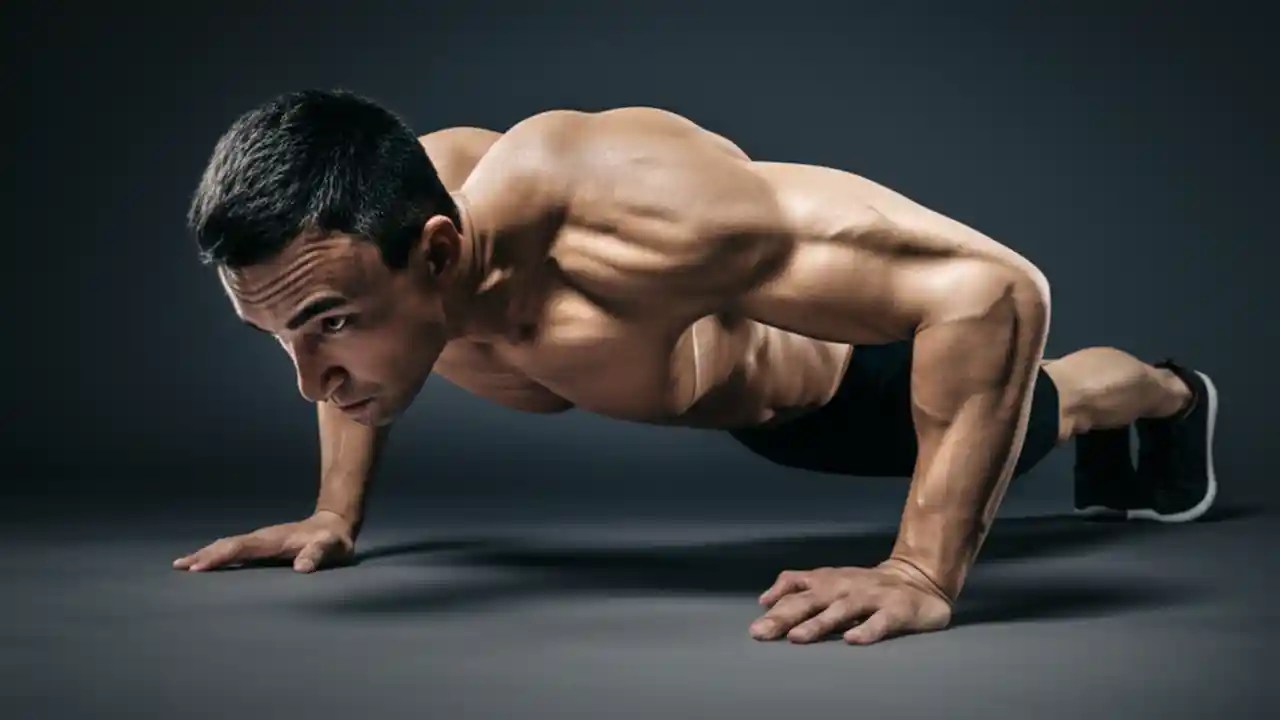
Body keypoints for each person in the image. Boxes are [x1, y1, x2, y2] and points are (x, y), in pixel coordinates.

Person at [172, 89, 1218, 646]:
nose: (311, 379)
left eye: (325, 328)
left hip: (862, 390)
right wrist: (334, 515)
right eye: (282, 340)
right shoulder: (389, 229)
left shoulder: (632, 219)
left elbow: (992, 292)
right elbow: (356, 344)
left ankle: (1166, 394)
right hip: (748, 411)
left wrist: (918, 571)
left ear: (441, 253)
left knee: (1059, 401)